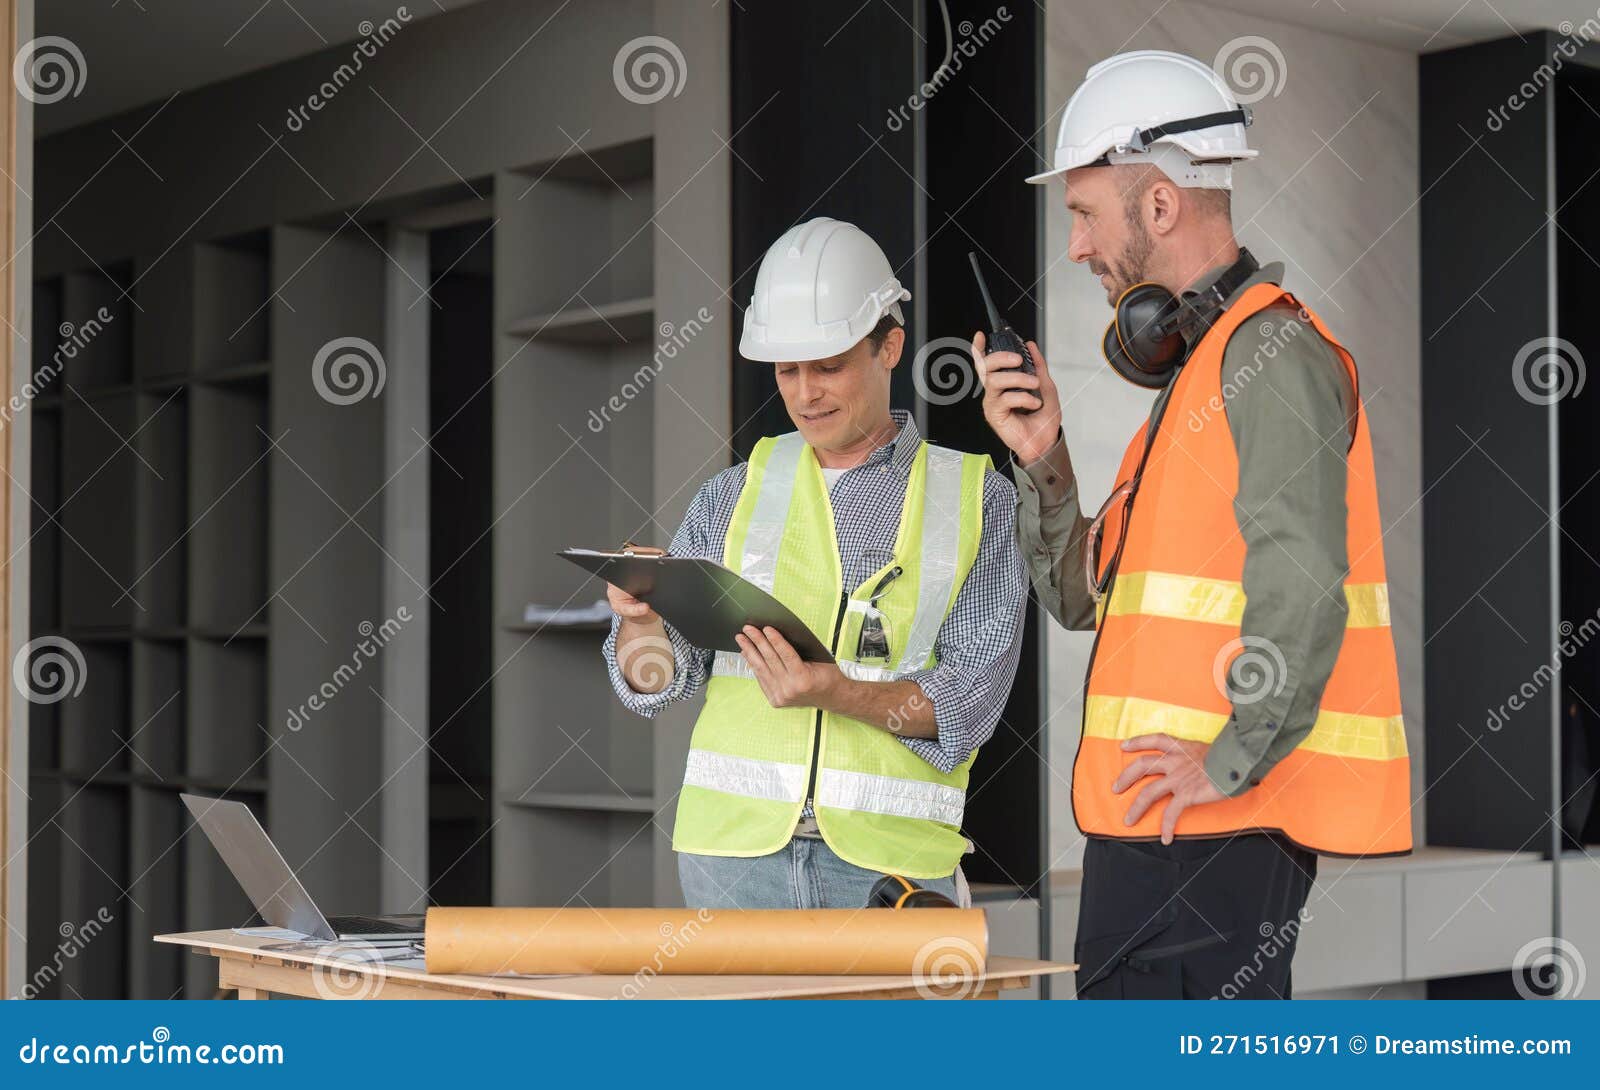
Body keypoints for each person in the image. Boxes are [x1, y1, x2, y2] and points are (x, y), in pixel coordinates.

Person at [976, 50, 1411, 998]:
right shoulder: (1202, 375)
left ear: (1161, 206)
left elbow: (1304, 576)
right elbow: (1082, 598)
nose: (1079, 247)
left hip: (1205, 837)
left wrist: (1232, 756)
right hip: (1160, 835)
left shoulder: (1270, 353)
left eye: (1086, 215)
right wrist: (1044, 456)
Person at [603, 217, 1027, 910]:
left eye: (828, 366)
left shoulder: (977, 498)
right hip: (732, 862)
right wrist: (640, 620)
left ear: (889, 347)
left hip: (888, 869)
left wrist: (838, 692)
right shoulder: (736, 492)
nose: (805, 394)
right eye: (788, 370)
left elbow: (970, 705)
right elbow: (657, 681)